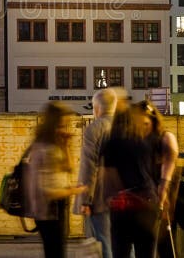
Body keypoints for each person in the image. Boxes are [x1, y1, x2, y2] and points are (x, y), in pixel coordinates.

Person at [24, 102, 86, 258]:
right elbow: (45, 189)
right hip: (48, 209)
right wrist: (73, 190)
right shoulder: (43, 147)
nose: (65, 129)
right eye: (62, 124)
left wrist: (66, 145)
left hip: (57, 207)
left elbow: (69, 167)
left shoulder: (54, 144)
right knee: (55, 252)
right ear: (54, 123)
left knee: (57, 251)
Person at [103, 105, 158, 258]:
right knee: (145, 252)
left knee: (121, 251)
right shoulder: (143, 143)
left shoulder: (112, 143)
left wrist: (110, 198)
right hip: (147, 203)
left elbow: (110, 176)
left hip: (124, 206)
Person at [73, 88, 117, 258]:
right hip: (125, 197)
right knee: (124, 244)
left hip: (100, 197)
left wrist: (85, 199)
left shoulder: (95, 128)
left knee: (103, 242)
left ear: (97, 107)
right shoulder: (127, 127)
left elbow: (88, 167)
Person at [137, 100, 179, 258]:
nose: (142, 127)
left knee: (163, 236)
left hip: (162, 191)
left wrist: (163, 190)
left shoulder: (164, 137)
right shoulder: (140, 140)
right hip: (147, 194)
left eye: (145, 123)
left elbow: (169, 163)